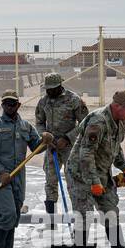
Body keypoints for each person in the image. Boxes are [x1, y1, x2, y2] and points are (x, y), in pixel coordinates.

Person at [0, 90, 53, 248]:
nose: (9, 106)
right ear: (2, 105)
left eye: (13, 103)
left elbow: (36, 146)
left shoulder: (25, 126)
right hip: (1, 176)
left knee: (16, 213)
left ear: (18, 105)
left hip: (19, 175)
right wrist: (0, 171)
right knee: (7, 213)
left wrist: (45, 141)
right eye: (6, 103)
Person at [66, 90, 125, 248]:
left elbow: (116, 148)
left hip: (102, 172)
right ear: (116, 106)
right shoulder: (98, 121)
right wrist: (93, 183)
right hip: (80, 174)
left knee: (111, 211)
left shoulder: (119, 123)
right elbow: (86, 154)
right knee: (84, 216)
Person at [34, 73, 89, 229]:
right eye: (47, 89)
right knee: (50, 182)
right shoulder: (43, 102)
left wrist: (68, 138)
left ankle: (79, 221)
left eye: (52, 89)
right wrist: (45, 136)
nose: (49, 92)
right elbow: (39, 122)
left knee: (74, 183)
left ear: (60, 86)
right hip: (51, 147)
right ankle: (51, 222)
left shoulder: (74, 100)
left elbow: (85, 123)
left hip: (70, 148)